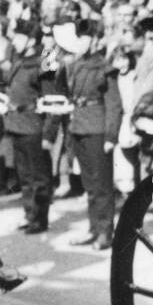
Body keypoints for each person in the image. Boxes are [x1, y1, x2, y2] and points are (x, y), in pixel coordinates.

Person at [49, 17, 121, 250]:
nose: (82, 43)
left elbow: (114, 105)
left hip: (97, 128)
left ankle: (105, 232)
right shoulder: (75, 65)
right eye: (79, 38)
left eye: (86, 38)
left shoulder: (104, 68)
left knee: (102, 184)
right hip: (79, 125)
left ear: (96, 40)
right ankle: (94, 228)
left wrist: (111, 136)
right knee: (90, 183)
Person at [1, 18, 56, 234]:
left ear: (32, 40)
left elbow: (51, 98)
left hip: (34, 125)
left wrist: (49, 133)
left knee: (38, 176)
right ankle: (29, 214)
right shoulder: (19, 59)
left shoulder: (44, 60)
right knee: (24, 175)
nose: (14, 41)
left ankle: (39, 219)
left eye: (20, 37)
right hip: (16, 124)